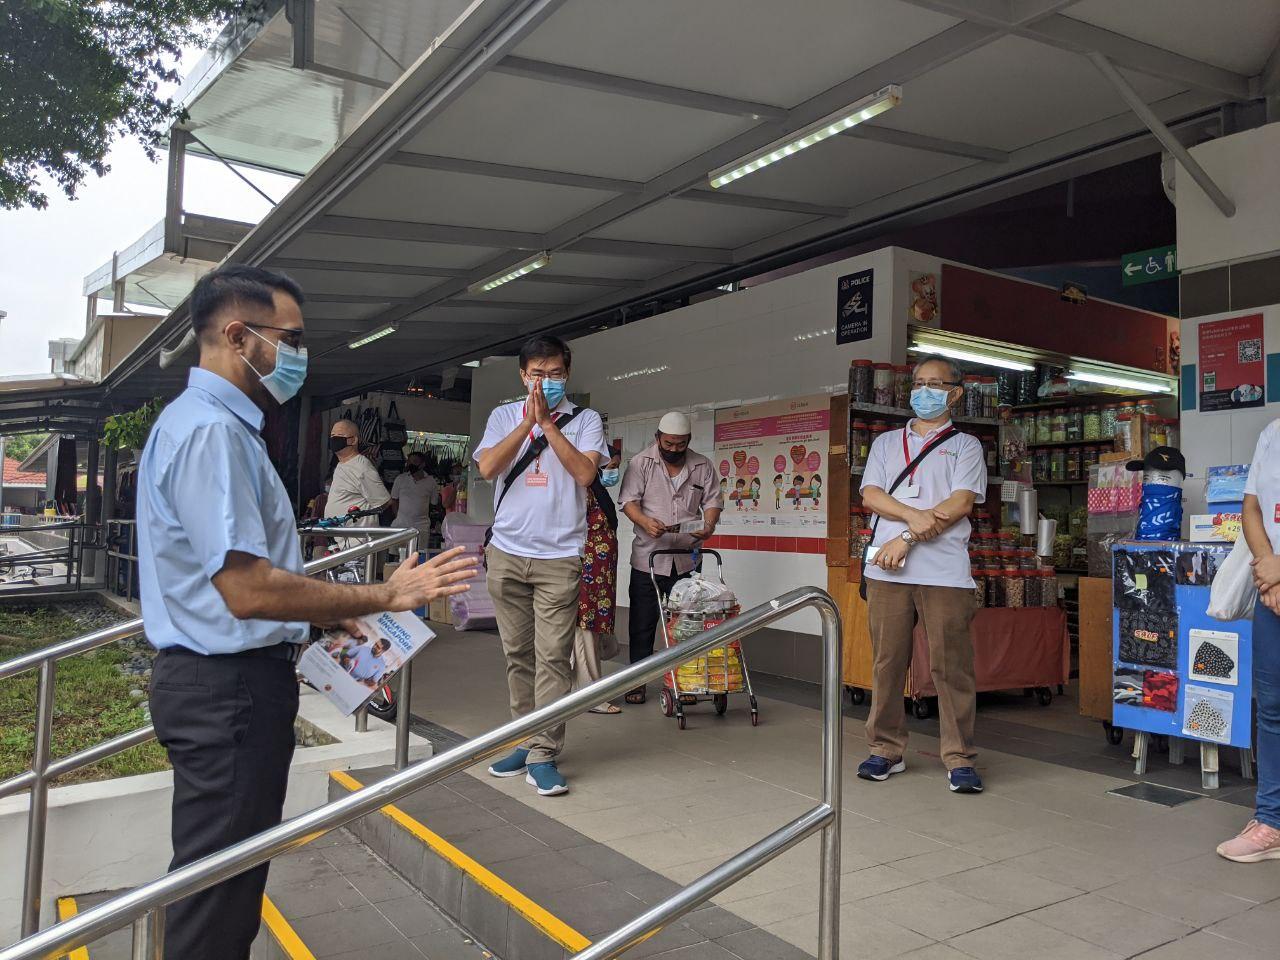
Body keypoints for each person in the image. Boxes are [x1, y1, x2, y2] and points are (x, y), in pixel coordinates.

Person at [136, 264, 477, 960]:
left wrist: (322, 614)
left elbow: (246, 577)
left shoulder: (211, 425)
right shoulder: (213, 434)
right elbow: (249, 588)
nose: (297, 355)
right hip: (225, 691)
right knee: (215, 902)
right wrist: (383, 595)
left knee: (221, 888)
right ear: (238, 335)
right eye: (288, 338)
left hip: (225, 685)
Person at [474, 335, 609, 796]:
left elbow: (586, 474)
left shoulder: (586, 420)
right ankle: (524, 738)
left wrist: (549, 425)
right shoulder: (502, 416)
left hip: (559, 559)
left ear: (566, 374)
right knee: (517, 655)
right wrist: (526, 424)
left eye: (553, 374)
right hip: (507, 554)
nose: (545, 381)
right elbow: (488, 468)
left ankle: (544, 752)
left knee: (553, 657)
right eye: (536, 373)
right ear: (522, 375)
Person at [858, 356, 987, 795]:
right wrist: (913, 518)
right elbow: (872, 495)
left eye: (935, 384)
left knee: (951, 666)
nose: (924, 391)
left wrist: (907, 539)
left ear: (955, 393)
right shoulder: (886, 443)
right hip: (886, 571)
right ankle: (886, 748)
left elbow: (960, 504)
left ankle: (959, 757)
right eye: (919, 383)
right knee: (888, 662)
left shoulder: (966, 446)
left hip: (944, 572)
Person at [617, 412, 722, 704]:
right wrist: (645, 521)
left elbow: (713, 501)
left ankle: (686, 682)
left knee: (687, 623)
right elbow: (628, 502)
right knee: (642, 623)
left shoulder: (702, 465)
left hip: (688, 558)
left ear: (689, 441)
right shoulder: (641, 463)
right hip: (648, 558)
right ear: (658, 438)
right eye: (669, 444)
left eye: (681, 445)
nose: (674, 449)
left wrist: (708, 525)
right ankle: (636, 682)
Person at [1218, 421, 1280, 861]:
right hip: (1271, 590)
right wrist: (1268, 565)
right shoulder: (1273, 433)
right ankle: (1272, 820)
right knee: (1272, 708)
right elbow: (1252, 508)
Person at [575, 444, 623, 714]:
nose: (611, 471)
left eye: (615, 466)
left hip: (600, 571)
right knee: (584, 628)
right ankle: (589, 694)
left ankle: (586, 690)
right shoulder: (580, 487)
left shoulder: (595, 488)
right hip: (586, 568)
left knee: (589, 629)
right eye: (609, 466)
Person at [325, 418, 389, 534]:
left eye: (340, 435)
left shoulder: (362, 467)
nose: (334, 438)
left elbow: (383, 503)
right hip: (340, 539)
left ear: (353, 440)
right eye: (332, 435)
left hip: (357, 541)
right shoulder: (341, 464)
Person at [390, 450, 440, 543]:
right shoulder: (400, 479)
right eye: (409, 462)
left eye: (415, 462)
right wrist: (398, 516)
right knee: (397, 554)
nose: (411, 464)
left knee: (420, 555)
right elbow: (394, 500)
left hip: (422, 526)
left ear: (422, 464)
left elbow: (433, 503)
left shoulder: (431, 481)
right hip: (400, 525)